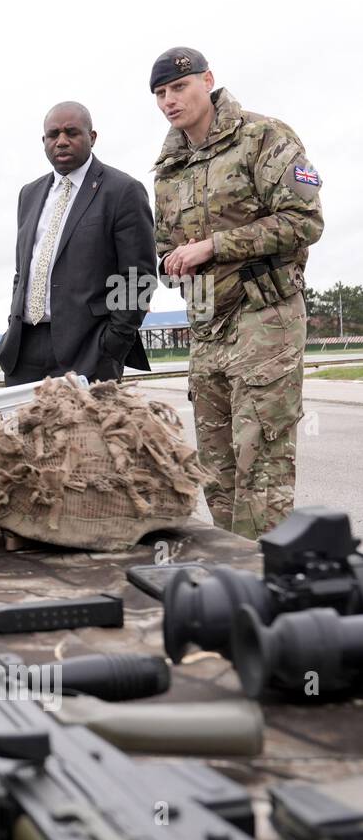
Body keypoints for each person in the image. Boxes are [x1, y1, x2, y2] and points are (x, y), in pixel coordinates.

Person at [152, 48, 323, 539]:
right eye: (161, 94)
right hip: (207, 327)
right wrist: (171, 262)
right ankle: (232, 581)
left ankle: (265, 587)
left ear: (207, 81)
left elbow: (304, 220)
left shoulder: (262, 136)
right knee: (217, 470)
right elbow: (166, 249)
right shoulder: (167, 169)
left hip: (264, 320)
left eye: (179, 88)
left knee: (262, 465)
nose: (169, 101)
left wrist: (214, 246)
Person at [0, 101, 155, 385]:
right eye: (53, 135)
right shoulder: (29, 194)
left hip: (89, 349)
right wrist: (12, 323)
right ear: (43, 141)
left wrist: (113, 344)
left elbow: (139, 278)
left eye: (72, 132)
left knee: (86, 431)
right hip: (24, 351)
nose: (61, 141)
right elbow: (24, 271)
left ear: (92, 138)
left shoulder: (122, 191)